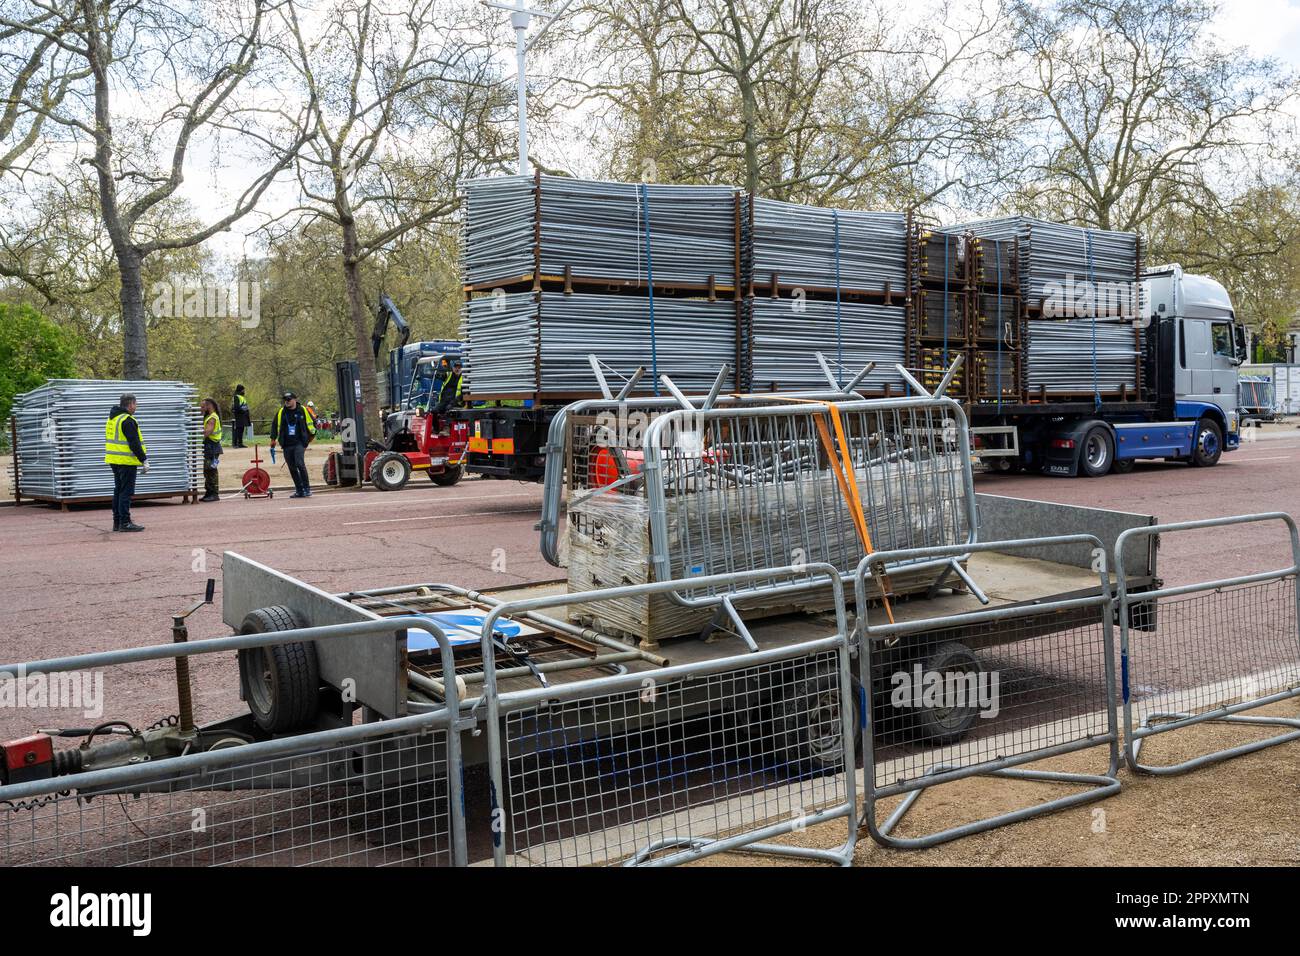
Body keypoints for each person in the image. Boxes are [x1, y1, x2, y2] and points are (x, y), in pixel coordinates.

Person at [105, 393, 148, 532]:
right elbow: (134, 443)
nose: (136, 407)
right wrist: (144, 460)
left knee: (118, 490)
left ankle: (117, 522)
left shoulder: (113, 418)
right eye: (135, 404)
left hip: (114, 460)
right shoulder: (128, 420)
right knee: (126, 492)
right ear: (130, 404)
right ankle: (125, 522)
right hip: (126, 461)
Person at [269, 391, 315, 498]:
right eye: (285, 400)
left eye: (289, 399)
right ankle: (299, 490)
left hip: (300, 443)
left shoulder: (303, 410)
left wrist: (310, 437)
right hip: (286, 444)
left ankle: (307, 488)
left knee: (300, 464)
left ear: (295, 399)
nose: (287, 402)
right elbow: (274, 425)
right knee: (292, 467)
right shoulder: (281, 412)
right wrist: (273, 439)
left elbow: (312, 423)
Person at [201, 398, 223, 503]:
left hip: (213, 447)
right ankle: (209, 493)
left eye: (203, 407)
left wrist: (198, 432)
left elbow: (208, 432)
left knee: (211, 470)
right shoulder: (209, 417)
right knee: (207, 470)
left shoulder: (212, 417)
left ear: (209, 406)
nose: (202, 409)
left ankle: (214, 493)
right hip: (211, 447)